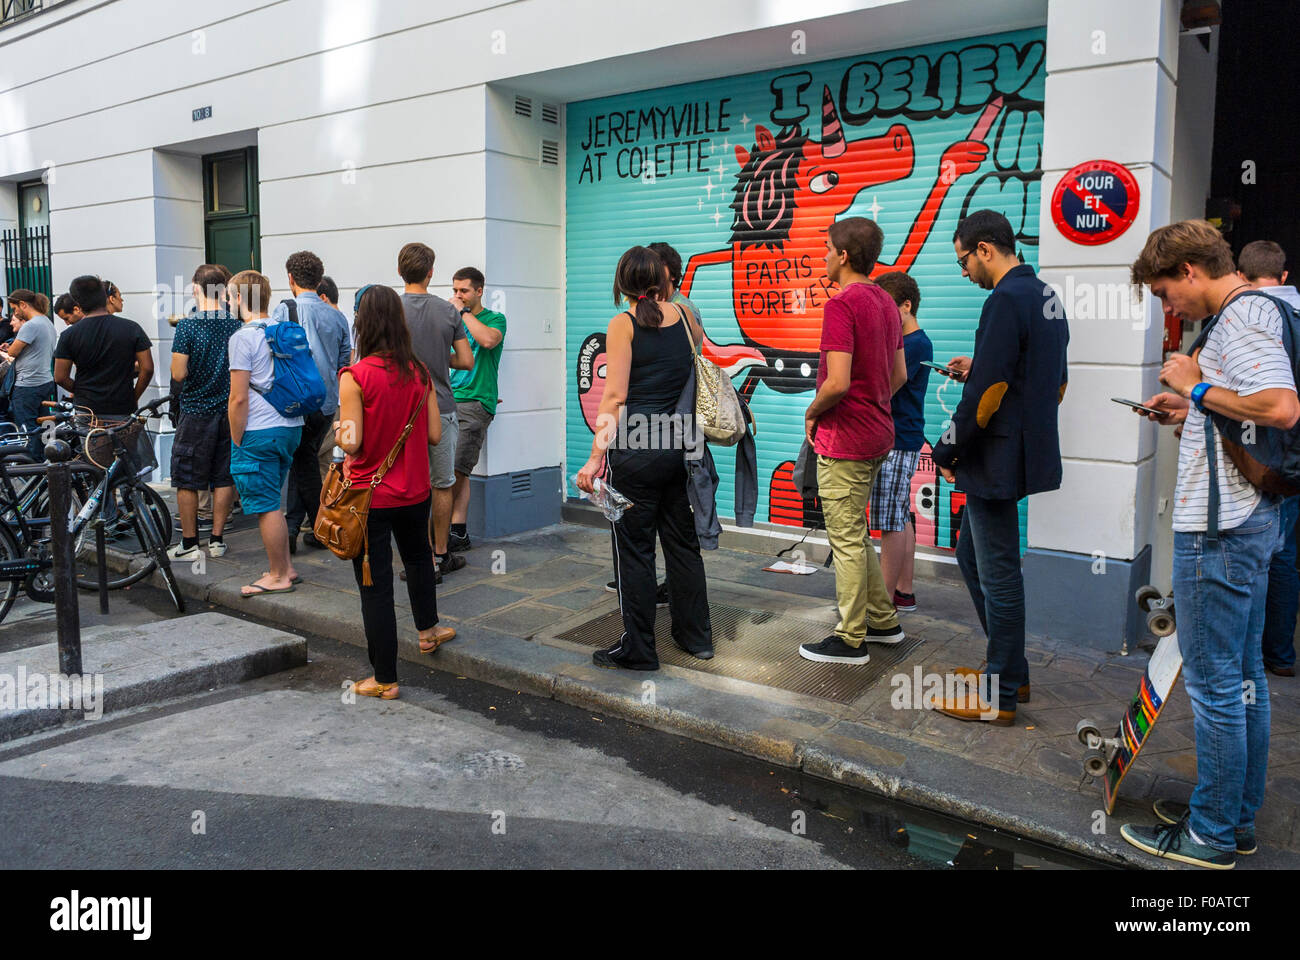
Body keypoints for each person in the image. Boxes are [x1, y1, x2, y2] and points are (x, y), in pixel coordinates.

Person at [1124, 221, 1300, 868]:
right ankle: (1235, 817)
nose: (1169, 307)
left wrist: (1194, 387)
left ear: (1192, 271)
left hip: (1219, 533)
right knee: (1244, 678)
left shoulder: (1241, 317)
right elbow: (1246, 408)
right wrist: (1194, 413)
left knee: (1215, 686)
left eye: (1168, 293)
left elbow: (1280, 408)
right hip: (1252, 523)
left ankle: (1211, 835)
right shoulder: (1266, 308)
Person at [930, 209, 1069, 725]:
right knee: (971, 556)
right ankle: (1011, 666)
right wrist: (980, 369)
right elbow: (1053, 381)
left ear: (984, 249)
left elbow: (987, 398)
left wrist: (947, 450)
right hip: (1024, 448)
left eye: (963, 260)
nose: (964, 271)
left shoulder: (1004, 299)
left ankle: (1000, 692)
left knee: (999, 572)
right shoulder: (1047, 297)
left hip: (995, 456)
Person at [575, 246, 712, 670]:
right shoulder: (686, 317)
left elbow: (614, 396)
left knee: (634, 551)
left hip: (636, 451)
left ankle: (639, 650)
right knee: (683, 545)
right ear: (663, 278)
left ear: (623, 284)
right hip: (683, 448)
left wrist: (596, 456)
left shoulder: (623, 324)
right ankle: (697, 639)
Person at [798, 218, 907, 666]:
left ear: (843, 256)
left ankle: (850, 639)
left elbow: (837, 382)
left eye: (827, 249)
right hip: (879, 434)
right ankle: (883, 622)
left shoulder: (841, 305)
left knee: (844, 539)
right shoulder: (885, 301)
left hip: (845, 439)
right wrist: (873, 402)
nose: (823, 256)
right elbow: (898, 375)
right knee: (856, 534)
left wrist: (812, 411)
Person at [338, 285, 454, 700]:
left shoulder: (355, 376)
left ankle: (384, 677)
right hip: (415, 492)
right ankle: (429, 631)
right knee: (421, 559)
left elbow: (351, 443)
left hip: (370, 499)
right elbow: (437, 436)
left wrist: (339, 428)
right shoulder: (419, 372)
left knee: (376, 585)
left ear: (362, 324)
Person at [1237, 240, 1300, 678]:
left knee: (1258, 558)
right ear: (1284, 276)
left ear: (1241, 276)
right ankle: (1279, 655)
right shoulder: (1295, 317)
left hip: (1261, 457)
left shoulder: (1247, 319)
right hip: (1294, 458)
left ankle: (1252, 655)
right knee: (1285, 558)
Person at [226, 270, 304, 598]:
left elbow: (238, 397)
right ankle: (286, 567)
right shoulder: (284, 330)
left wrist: (235, 437)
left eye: (230, 296)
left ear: (242, 298)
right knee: (274, 498)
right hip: (291, 427)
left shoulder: (243, 337)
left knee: (266, 505)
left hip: (258, 430)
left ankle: (277, 575)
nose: (229, 302)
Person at [398, 242, 472, 577]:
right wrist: (440, 360)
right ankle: (441, 555)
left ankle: (416, 556)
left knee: (406, 484)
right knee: (441, 483)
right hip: (440, 408)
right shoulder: (448, 311)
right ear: (431, 272)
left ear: (401, 272)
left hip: (398, 410)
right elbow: (467, 361)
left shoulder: (391, 309)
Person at [271, 251, 351, 553]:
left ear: (290, 278)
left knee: (301, 465)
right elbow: (345, 361)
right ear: (319, 280)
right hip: (326, 404)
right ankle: (299, 529)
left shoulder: (282, 311)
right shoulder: (336, 315)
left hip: (295, 401)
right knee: (303, 463)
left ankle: (317, 527)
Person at [167, 264, 242, 561]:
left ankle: (188, 543)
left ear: (196, 289)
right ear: (224, 291)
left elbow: (178, 373)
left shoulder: (187, 326)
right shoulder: (236, 325)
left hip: (196, 412)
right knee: (223, 476)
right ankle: (217, 540)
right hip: (229, 411)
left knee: (187, 478)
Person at [871, 270, 932, 612]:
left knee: (890, 520)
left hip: (896, 439)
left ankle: (882, 602)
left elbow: (883, 390)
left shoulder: (914, 344)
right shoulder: (914, 342)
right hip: (904, 437)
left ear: (906, 306)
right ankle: (903, 592)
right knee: (900, 514)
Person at [447, 266, 506, 554]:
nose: (458, 295)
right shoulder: (453, 319)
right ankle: (457, 531)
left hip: (474, 403)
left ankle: (451, 531)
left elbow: (487, 341)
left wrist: (461, 313)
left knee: (457, 468)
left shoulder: (494, 319)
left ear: (479, 291)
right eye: (455, 290)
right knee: (455, 469)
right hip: (447, 399)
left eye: (464, 291)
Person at [53, 275, 154, 417]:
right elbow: (148, 368)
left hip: (87, 410)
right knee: (125, 439)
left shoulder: (68, 335)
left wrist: (83, 391)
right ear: (104, 297)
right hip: (122, 408)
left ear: (78, 303)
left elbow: (60, 377)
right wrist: (133, 397)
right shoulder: (132, 328)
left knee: (89, 439)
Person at [1, 290, 57, 460]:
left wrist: (7, 348)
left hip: (27, 386)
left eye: (14, 308)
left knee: (28, 430)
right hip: (45, 381)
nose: (14, 313)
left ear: (23, 305)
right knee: (46, 425)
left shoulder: (30, 325)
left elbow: (13, 351)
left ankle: (33, 470)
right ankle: (49, 461)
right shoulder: (47, 322)